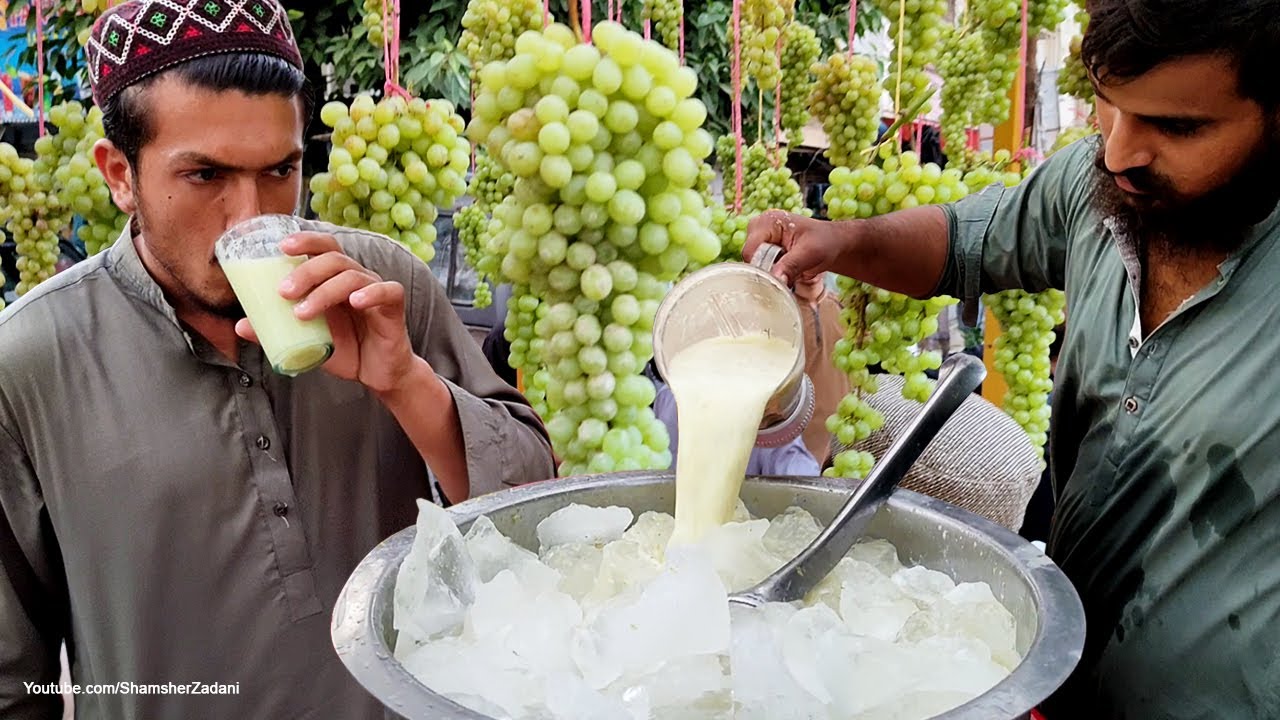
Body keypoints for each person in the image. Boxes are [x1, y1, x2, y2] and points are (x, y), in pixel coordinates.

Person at [0, 1, 554, 718]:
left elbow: (535, 506)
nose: (250, 216)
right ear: (119, 175)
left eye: (279, 170)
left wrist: (406, 382)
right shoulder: (30, 361)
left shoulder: (382, 286)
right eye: (205, 176)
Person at [743, 0, 1280, 716]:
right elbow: (964, 240)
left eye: (1176, 128)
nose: (1120, 151)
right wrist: (841, 241)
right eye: (1106, 104)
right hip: (1058, 675)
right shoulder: (1095, 189)